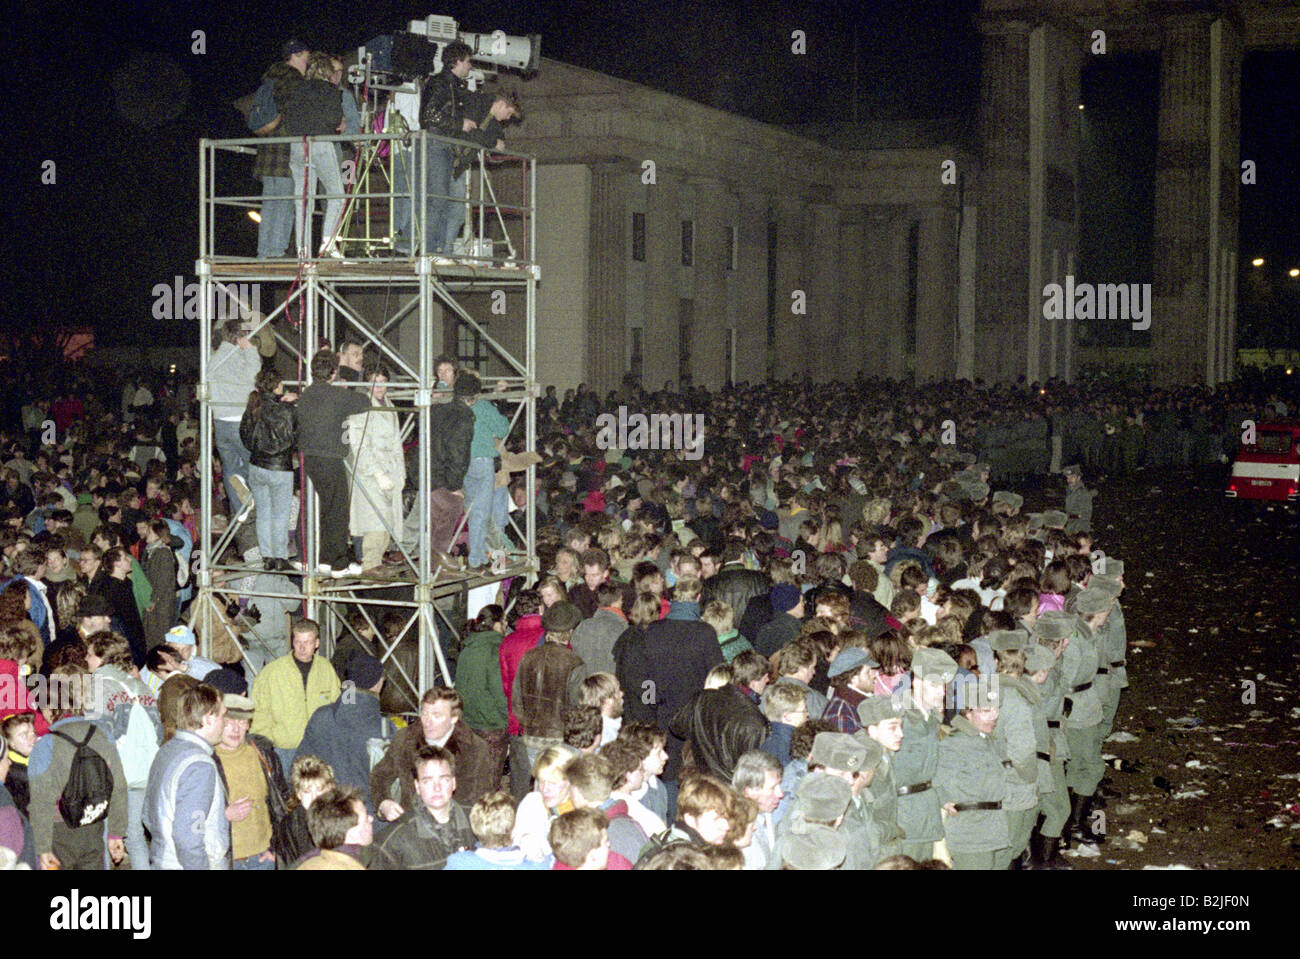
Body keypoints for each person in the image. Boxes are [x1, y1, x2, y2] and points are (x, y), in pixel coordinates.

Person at [27, 665, 128, 871]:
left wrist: (42, 846)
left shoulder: (45, 745)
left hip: (58, 832)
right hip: (94, 825)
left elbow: (40, 801)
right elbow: (118, 787)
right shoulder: (103, 735)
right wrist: (116, 833)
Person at [83, 631, 162, 871]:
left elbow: (98, 736)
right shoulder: (141, 686)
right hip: (146, 771)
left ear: (101, 657)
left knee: (106, 836)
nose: (85, 658)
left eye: (89, 654)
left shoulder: (98, 686)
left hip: (115, 773)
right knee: (135, 837)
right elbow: (158, 731)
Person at [296, 350, 373, 576]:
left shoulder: (307, 394)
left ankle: (318, 558)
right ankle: (338, 562)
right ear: (333, 372)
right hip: (330, 457)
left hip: (308, 458)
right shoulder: (336, 395)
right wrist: (346, 387)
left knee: (321, 508)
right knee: (337, 510)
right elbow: (364, 402)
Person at [371, 686, 494, 822]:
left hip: (458, 827)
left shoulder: (475, 749)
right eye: (424, 713)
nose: (427, 722)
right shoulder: (405, 740)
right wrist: (383, 803)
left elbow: (482, 799)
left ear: (454, 718)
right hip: (412, 825)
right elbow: (379, 776)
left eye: (436, 715)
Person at [142, 682, 231, 869]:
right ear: (208, 718)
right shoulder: (198, 765)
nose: (226, 722)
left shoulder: (167, 750)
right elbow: (188, 838)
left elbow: (147, 815)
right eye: (223, 715)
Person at [294, 654, 392, 808]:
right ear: (378, 683)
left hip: (327, 815)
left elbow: (301, 766)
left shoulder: (321, 716)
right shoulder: (385, 729)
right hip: (368, 819)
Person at [249, 618, 342, 772]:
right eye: (298, 642)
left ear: (317, 643)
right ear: (292, 642)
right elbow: (260, 713)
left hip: (318, 748)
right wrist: (262, 748)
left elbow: (336, 707)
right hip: (284, 750)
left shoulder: (326, 669)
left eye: (308, 642)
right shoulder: (272, 672)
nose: (302, 648)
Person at [936, 684, 1010, 870]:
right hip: (971, 835)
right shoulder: (955, 744)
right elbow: (935, 779)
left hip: (996, 830)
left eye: (996, 709)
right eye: (986, 710)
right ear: (967, 713)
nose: (994, 716)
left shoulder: (986, 739)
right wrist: (943, 799)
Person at [214, 693, 290, 870]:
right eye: (228, 722)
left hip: (264, 857)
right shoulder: (206, 760)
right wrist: (224, 816)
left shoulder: (264, 756)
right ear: (217, 723)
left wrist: (276, 848)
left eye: (241, 723)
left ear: (248, 725)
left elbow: (282, 802)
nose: (235, 729)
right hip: (226, 859)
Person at [370, 744, 475, 870]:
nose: (437, 788)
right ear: (417, 786)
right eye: (428, 781)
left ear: (453, 783)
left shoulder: (480, 821)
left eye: (444, 779)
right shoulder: (394, 840)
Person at [415, 40, 476, 256]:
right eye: (468, 62)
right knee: (439, 199)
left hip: (446, 146)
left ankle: (439, 249)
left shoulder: (451, 85)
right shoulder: (440, 83)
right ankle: (430, 250)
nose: (470, 66)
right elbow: (428, 115)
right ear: (457, 61)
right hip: (438, 144)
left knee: (449, 201)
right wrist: (459, 124)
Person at [512, 601, 587, 775]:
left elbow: (517, 700)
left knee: (542, 785)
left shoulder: (528, 657)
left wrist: (529, 723)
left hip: (532, 736)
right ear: (569, 632)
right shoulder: (574, 663)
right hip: (562, 740)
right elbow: (578, 707)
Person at [284, 52, 347, 258]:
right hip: (320, 143)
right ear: (326, 72)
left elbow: (289, 119)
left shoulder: (295, 88)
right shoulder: (329, 90)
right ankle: (327, 243)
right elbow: (334, 119)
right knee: (337, 195)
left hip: (297, 144)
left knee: (303, 200)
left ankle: (303, 249)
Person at [252, 40, 310, 259]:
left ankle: (263, 251)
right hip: (287, 149)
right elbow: (298, 114)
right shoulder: (295, 81)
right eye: (306, 57)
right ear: (295, 55)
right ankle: (276, 251)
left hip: (268, 149)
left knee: (270, 203)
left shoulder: (270, 79)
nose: (308, 62)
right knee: (285, 203)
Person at [345, 365, 405, 573]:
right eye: (374, 382)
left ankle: (377, 560)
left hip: (391, 469)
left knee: (388, 521)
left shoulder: (389, 405)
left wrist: (400, 472)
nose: (379, 387)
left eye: (382, 382)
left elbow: (397, 442)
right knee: (376, 520)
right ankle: (370, 563)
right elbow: (358, 443)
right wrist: (377, 472)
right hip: (369, 471)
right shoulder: (361, 406)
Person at [240, 368, 298, 571]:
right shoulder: (287, 410)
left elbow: (245, 437)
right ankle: (280, 557)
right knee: (280, 515)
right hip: (280, 467)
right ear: (276, 386)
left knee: (263, 513)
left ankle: (267, 557)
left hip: (257, 466)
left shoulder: (253, 407)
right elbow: (295, 437)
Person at [207, 320, 262, 515]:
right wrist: (250, 350)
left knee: (230, 468)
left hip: (220, 422)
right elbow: (255, 376)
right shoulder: (238, 357)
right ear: (240, 337)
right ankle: (255, 504)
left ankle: (241, 509)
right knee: (255, 463)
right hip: (240, 419)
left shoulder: (214, 358)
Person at [427, 372, 479, 572]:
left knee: (434, 516)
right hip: (441, 474)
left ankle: (430, 561)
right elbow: (458, 453)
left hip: (427, 470)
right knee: (454, 504)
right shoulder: (464, 418)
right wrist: (455, 486)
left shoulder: (440, 410)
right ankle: (438, 552)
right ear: (474, 397)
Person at [453, 605, 509, 786]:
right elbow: (498, 689)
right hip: (491, 723)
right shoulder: (495, 648)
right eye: (505, 620)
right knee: (490, 781)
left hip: (468, 722)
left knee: (470, 777)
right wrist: (506, 717)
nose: (507, 625)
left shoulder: (467, 647)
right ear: (497, 624)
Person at [562, 752, 647, 864]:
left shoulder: (600, 835)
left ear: (577, 791)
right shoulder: (629, 822)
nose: (568, 794)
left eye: (570, 788)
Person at [465, 381, 512, 571]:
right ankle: (488, 560)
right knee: (490, 518)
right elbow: (502, 428)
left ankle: (491, 559)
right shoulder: (484, 408)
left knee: (481, 515)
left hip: (472, 467)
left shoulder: (460, 407)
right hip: (487, 467)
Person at [444, 790, 551, 870]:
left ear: (474, 828)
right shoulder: (537, 866)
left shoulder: (458, 863)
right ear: (514, 829)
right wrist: (538, 855)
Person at [296, 785, 373, 870]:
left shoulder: (308, 862)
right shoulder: (349, 866)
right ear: (352, 833)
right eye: (366, 818)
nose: (371, 819)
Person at [731, 749, 784, 870]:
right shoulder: (738, 831)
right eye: (772, 788)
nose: (781, 793)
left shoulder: (773, 809)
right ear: (749, 791)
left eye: (779, 784)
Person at [549, 807, 631, 870]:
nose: (609, 845)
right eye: (606, 841)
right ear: (592, 857)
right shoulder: (616, 863)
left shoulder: (615, 861)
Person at [140, 519, 177, 650]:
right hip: (157, 602)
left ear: (157, 534)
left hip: (161, 605)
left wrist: (153, 600)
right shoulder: (153, 551)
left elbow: (163, 580)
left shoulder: (163, 553)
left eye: (149, 531)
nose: (146, 534)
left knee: (158, 638)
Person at [1062, 465, 1095, 535]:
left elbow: (1085, 515)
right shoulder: (1071, 491)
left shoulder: (1082, 493)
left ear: (1078, 478)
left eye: (1072, 477)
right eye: (1067, 478)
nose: (1069, 480)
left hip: (1079, 528)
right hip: (1070, 526)